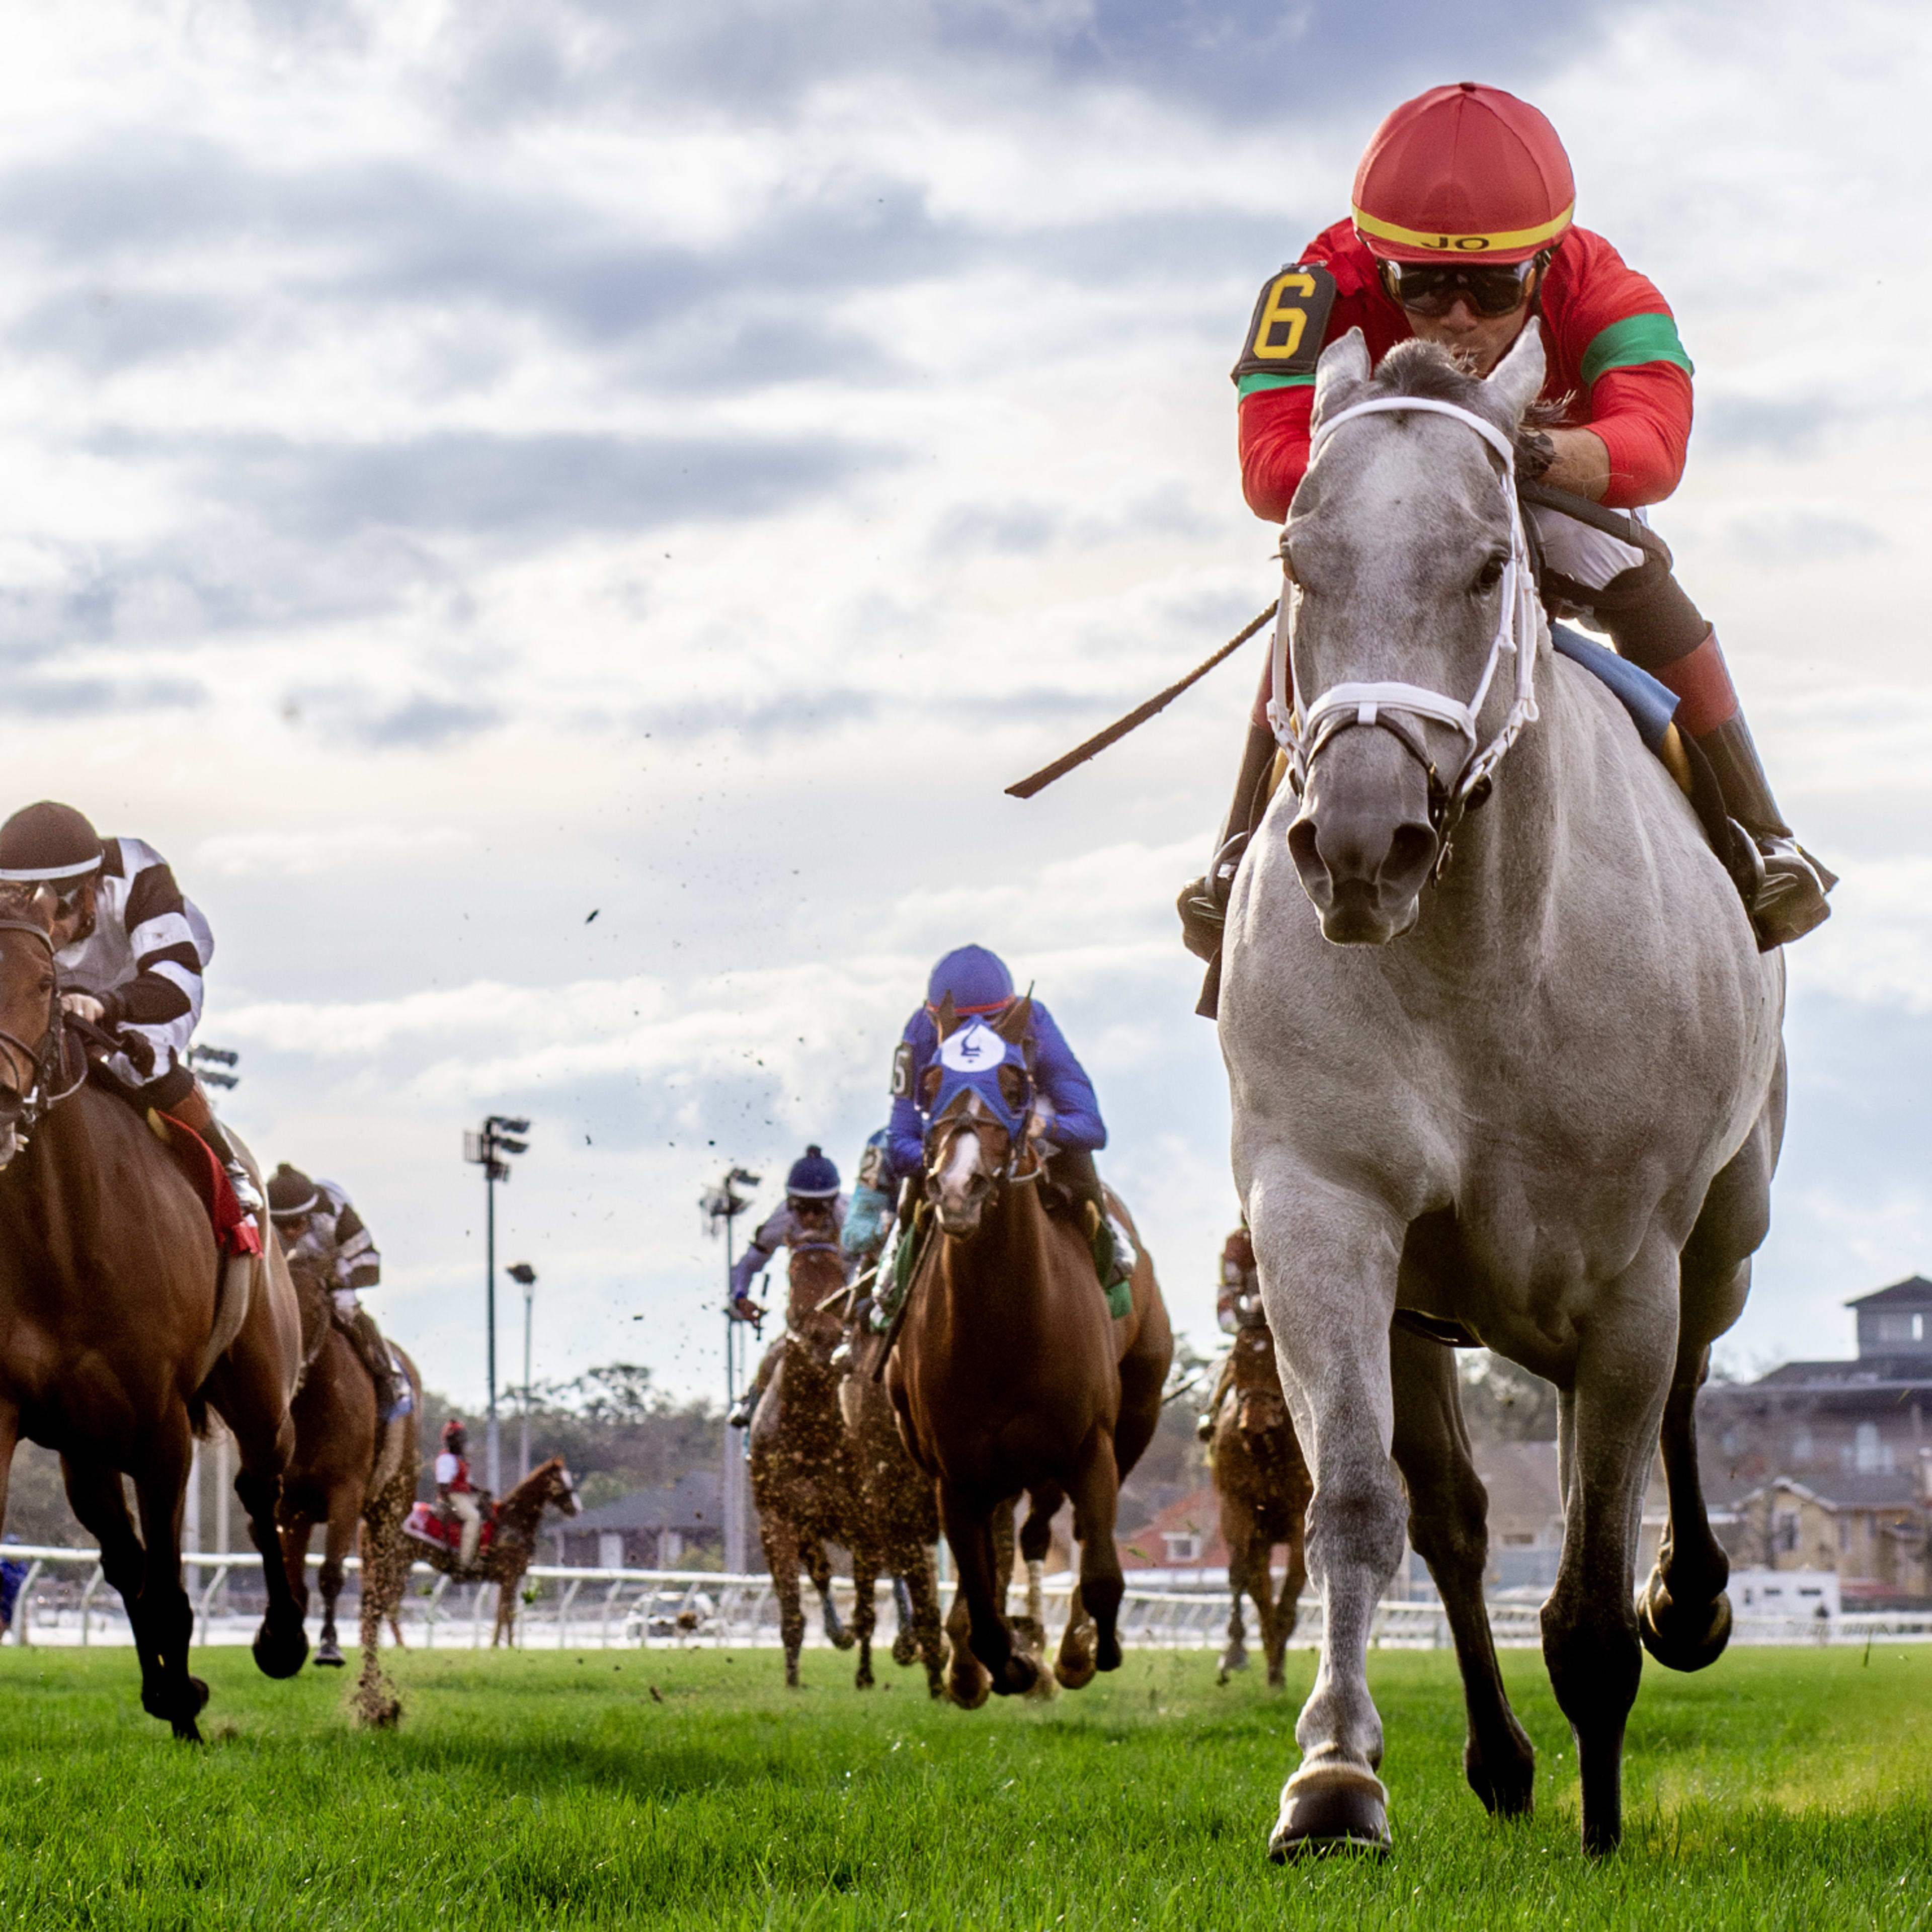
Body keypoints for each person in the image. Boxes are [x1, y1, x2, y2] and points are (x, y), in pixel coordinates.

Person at [1179, 80, 1831, 973]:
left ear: (1545, 262)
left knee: (1621, 562)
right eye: (1423, 284)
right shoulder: (1308, 286)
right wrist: (1403, 472)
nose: (1458, 316)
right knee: (1335, 563)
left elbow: (1656, 445)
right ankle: (1236, 847)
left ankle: (1763, 833)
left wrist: (1525, 455)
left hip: (1536, 484)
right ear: (1376, 263)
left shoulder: (1611, 290)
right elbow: (1267, 473)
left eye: (1492, 288)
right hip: (1392, 500)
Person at [0, 799, 265, 1215]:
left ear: (93, 885)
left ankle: (230, 1169)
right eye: (26, 903)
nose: (50, 927)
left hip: (149, 974)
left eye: (62, 905)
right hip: (51, 979)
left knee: (138, 1061)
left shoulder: (139, 874)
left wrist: (107, 1004)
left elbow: (174, 986)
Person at [886, 944, 1137, 1293]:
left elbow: (1091, 1126)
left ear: (1009, 1014)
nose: (973, 1037)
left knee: (1078, 1154)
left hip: (1024, 1135)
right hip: (954, 1140)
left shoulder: (1035, 1021)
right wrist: (941, 1160)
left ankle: (1104, 1236)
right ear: (935, 1018)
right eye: (957, 1028)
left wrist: (1046, 1128)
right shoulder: (921, 1030)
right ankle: (896, 1257)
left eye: (988, 1024)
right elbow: (898, 1143)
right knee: (914, 1182)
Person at [726, 1145, 849, 1429]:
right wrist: (741, 1298)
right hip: (804, 1314)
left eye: (817, 1209)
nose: (808, 1217)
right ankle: (752, 1404)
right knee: (773, 1358)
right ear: (790, 1202)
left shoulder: (850, 1215)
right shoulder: (780, 1219)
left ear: (832, 1203)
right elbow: (747, 1265)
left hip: (849, 1306)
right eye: (801, 1208)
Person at [267, 1164, 400, 1420]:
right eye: (282, 1226)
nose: (290, 1233)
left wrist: (338, 1281)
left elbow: (371, 1269)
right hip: (290, 1274)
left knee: (345, 1306)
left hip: (335, 1269)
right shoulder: (265, 1224)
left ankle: (387, 1374)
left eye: (296, 1223)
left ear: (310, 1214)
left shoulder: (338, 1216)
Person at [435, 1418, 485, 1570]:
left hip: (464, 1495)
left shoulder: (461, 1459)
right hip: (454, 1497)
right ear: (450, 1441)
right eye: (457, 1438)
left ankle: (483, 1551)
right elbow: (443, 1485)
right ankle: (465, 1562)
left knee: (490, 1508)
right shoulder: (446, 1459)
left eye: (462, 1438)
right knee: (473, 1518)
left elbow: (468, 1483)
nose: (461, 1441)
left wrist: (482, 1493)